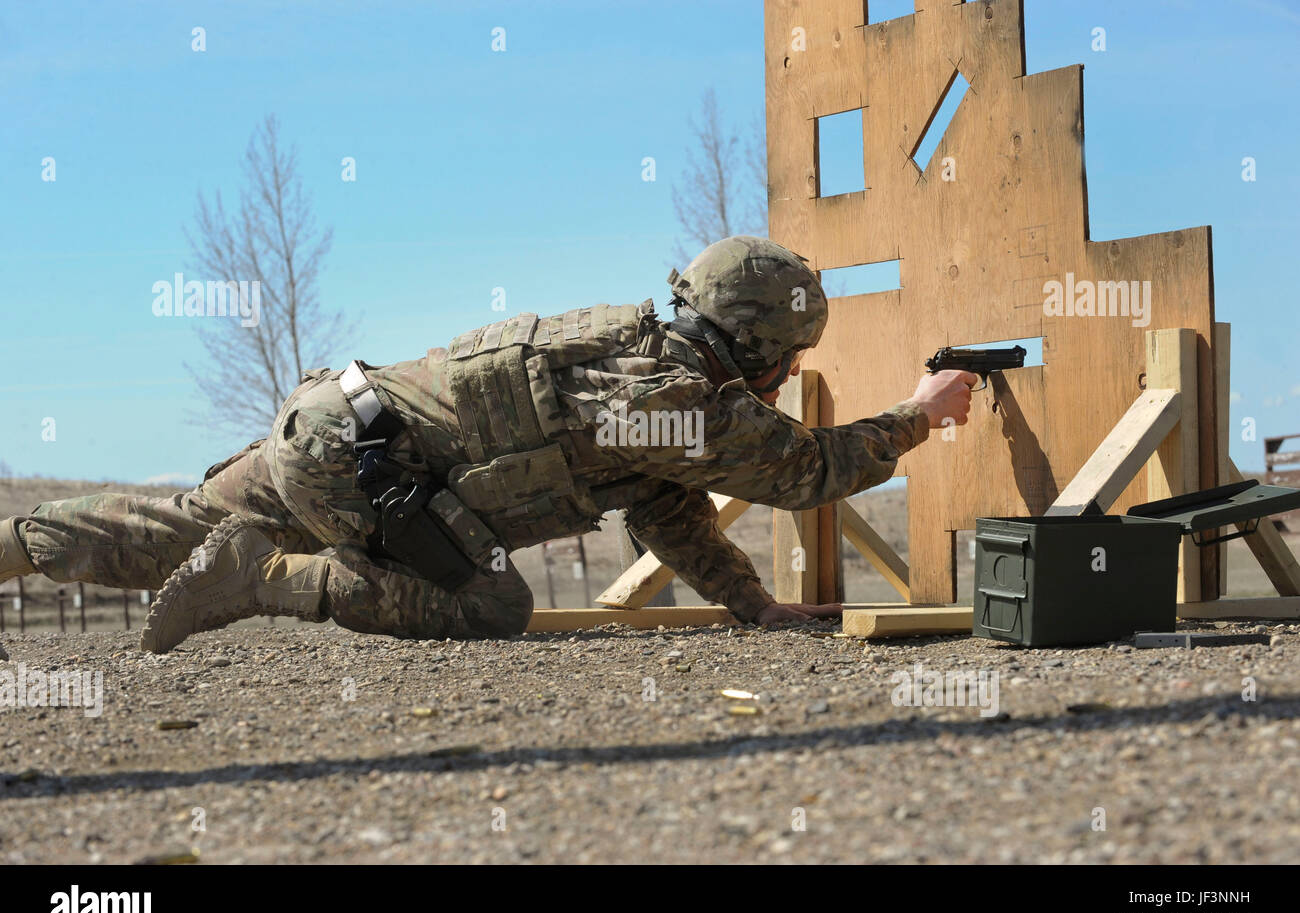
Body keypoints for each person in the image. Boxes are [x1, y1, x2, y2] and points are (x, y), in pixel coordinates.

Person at [0, 236, 975, 653]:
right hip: (365, 476)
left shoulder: (639, 358)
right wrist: (918, 414)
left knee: (171, 529)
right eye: (788, 352)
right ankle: (269, 578)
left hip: (334, 419)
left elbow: (663, 505)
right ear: (759, 343)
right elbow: (805, 470)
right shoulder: (684, 399)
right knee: (492, 604)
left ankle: (12, 545)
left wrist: (752, 604)